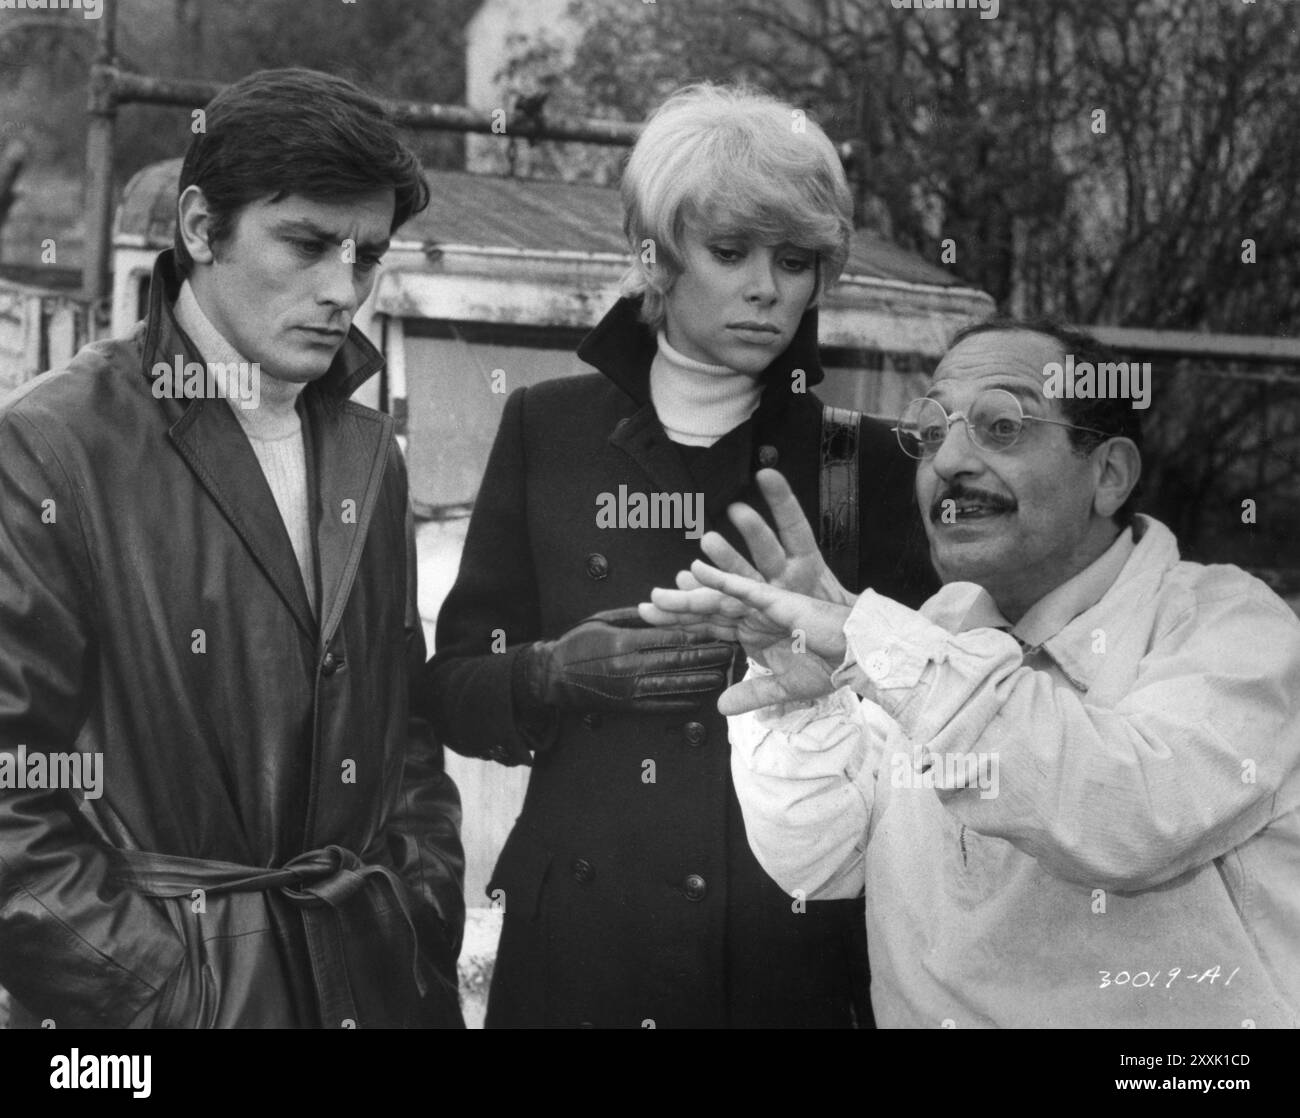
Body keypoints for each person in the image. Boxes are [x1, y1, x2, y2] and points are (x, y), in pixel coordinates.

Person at [420, 83, 935, 1028]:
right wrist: (553, 674)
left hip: (785, 957)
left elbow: (941, 721)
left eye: (796, 259)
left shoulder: (867, 462)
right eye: (730, 252)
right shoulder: (547, 428)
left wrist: (830, 673)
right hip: (584, 946)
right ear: (654, 258)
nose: (767, 288)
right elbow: (453, 690)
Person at [641, 319, 1300, 1027]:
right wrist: (809, 703)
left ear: (1107, 475)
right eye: (930, 433)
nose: (948, 460)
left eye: (1003, 425)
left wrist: (877, 647)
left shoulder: (1231, 626)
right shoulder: (939, 626)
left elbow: (1131, 815)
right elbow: (822, 862)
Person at [0, 69, 465, 1028]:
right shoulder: (52, 448)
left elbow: (405, 735)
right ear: (201, 227)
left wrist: (422, 902)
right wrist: (168, 992)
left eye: (368, 255)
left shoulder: (370, 454)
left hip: (375, 983)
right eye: (305, 243)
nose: (345, 290)